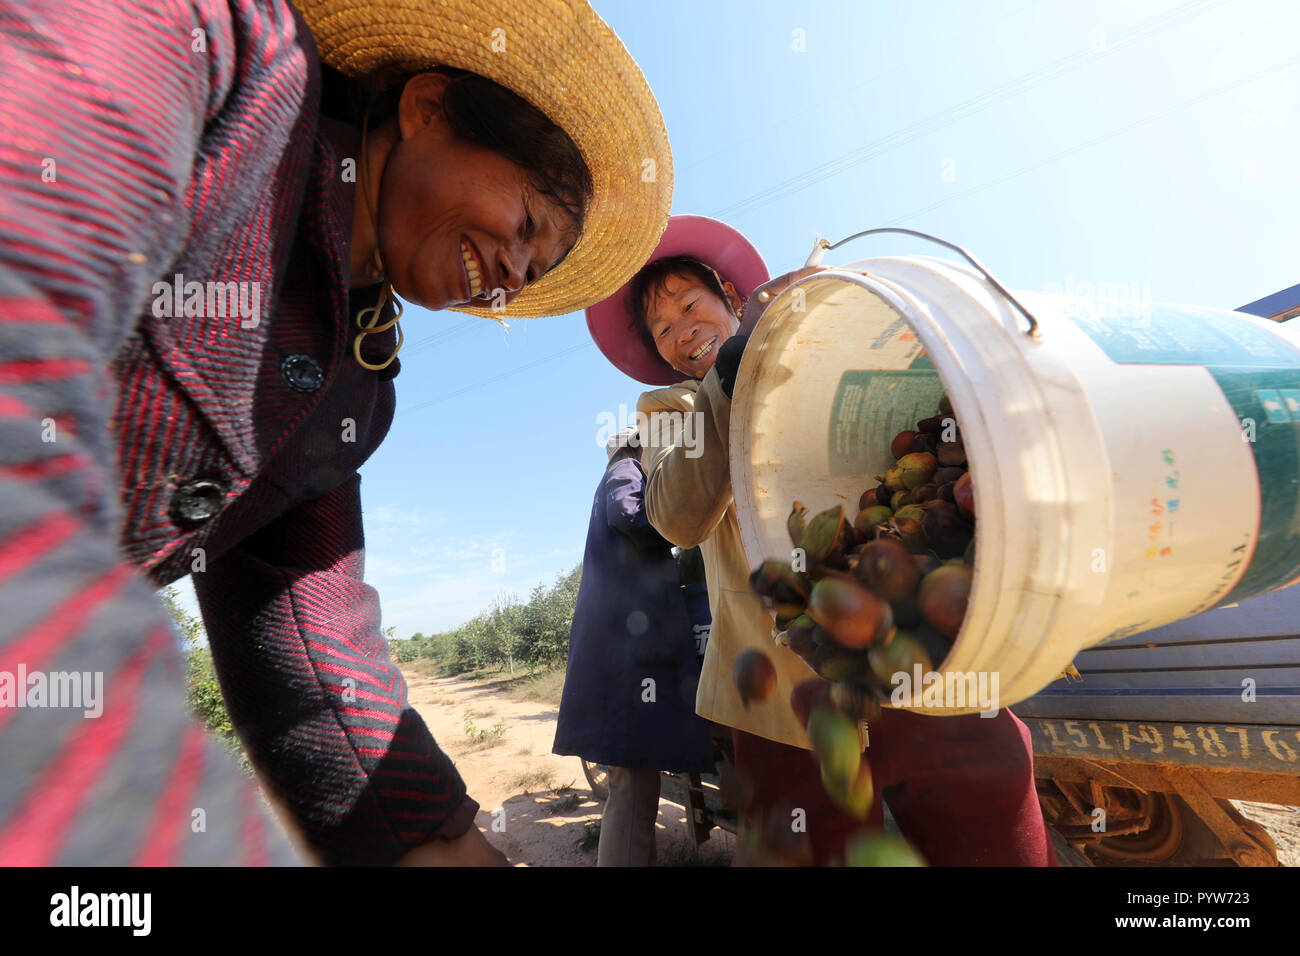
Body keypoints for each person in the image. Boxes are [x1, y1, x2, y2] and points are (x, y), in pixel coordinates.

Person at [0, 0, 671, 866]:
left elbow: (310, 657)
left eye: (533, 274)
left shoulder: (353, 390)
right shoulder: (218, 49)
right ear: (426, 107)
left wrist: (446, 845)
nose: (511, 277)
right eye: (529, 224)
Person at [585, 215, 1056, 866]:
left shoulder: (817, 349)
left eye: (690, 305)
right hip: (786, 696)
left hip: (919, 649)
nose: (680, 331)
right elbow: (677, 516)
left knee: (993, 818)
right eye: (662, 328)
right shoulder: (673, 411)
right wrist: (732, 366)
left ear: (731, 299)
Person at [553, 427, 714, 866]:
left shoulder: (614, 474)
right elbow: (633, 517)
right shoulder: (625, 469)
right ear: (637, 447)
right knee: (634, 780)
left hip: (619, 649)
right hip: (625, 654)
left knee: (636, 779)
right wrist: (686, 524)